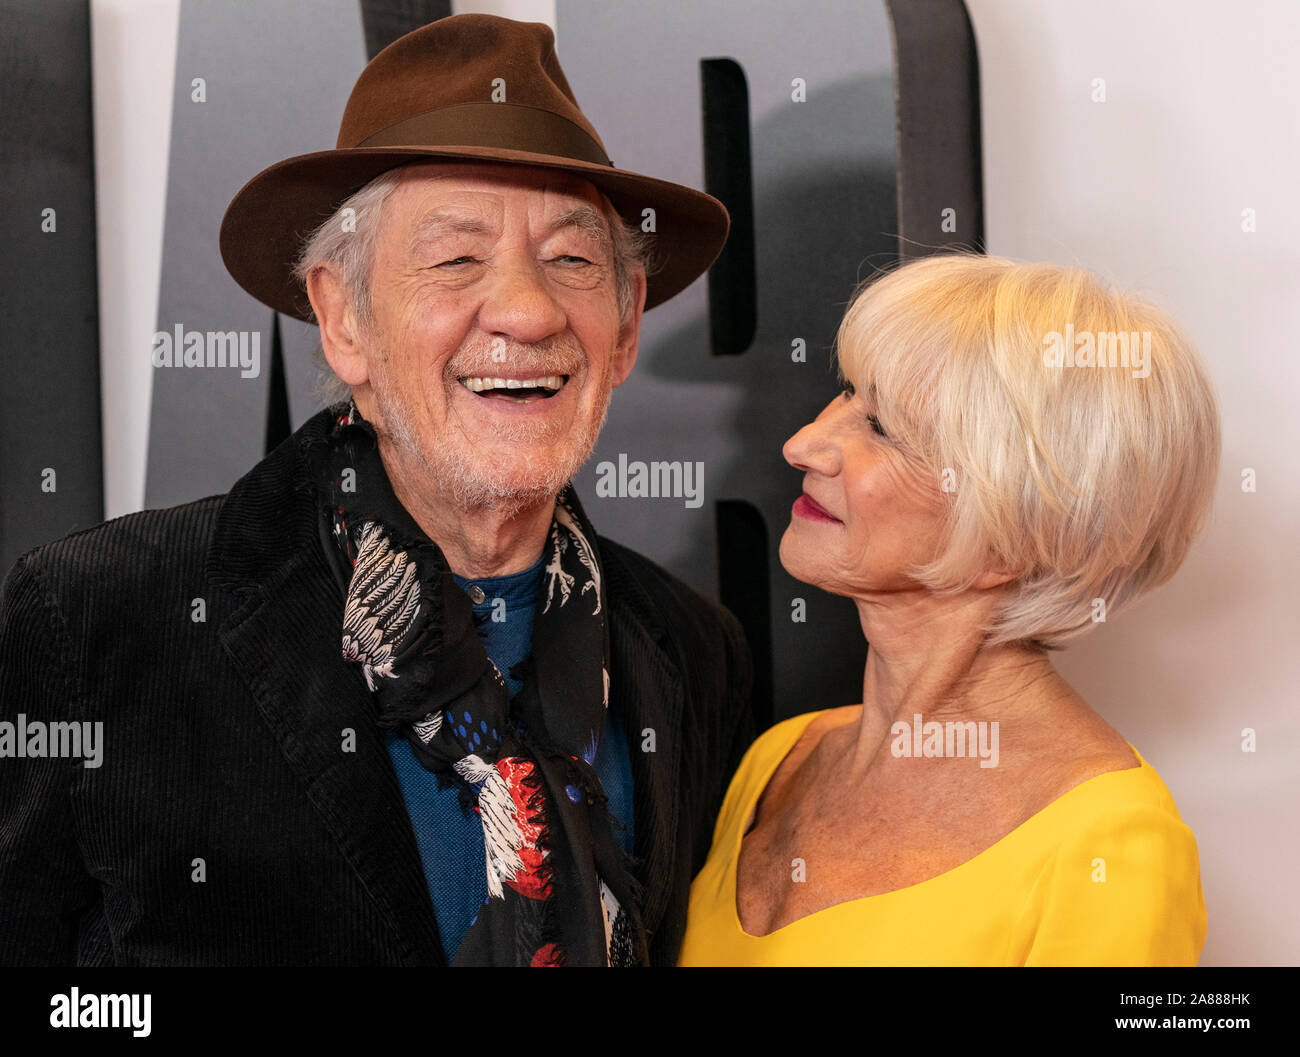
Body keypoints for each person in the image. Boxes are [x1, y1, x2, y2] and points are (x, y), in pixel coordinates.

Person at [0, 14, 753, 967]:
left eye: (572, 260)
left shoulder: (692, 651)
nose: (527, 309)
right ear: (342, 316)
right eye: (455, 258)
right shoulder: (100, 621)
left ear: (628, 322)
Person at [678, 253, 1217, 966]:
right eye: (845, 393)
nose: (803, 443)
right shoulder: (779, 758)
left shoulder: (1109, 847)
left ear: (1016, 530)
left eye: (880, 426)